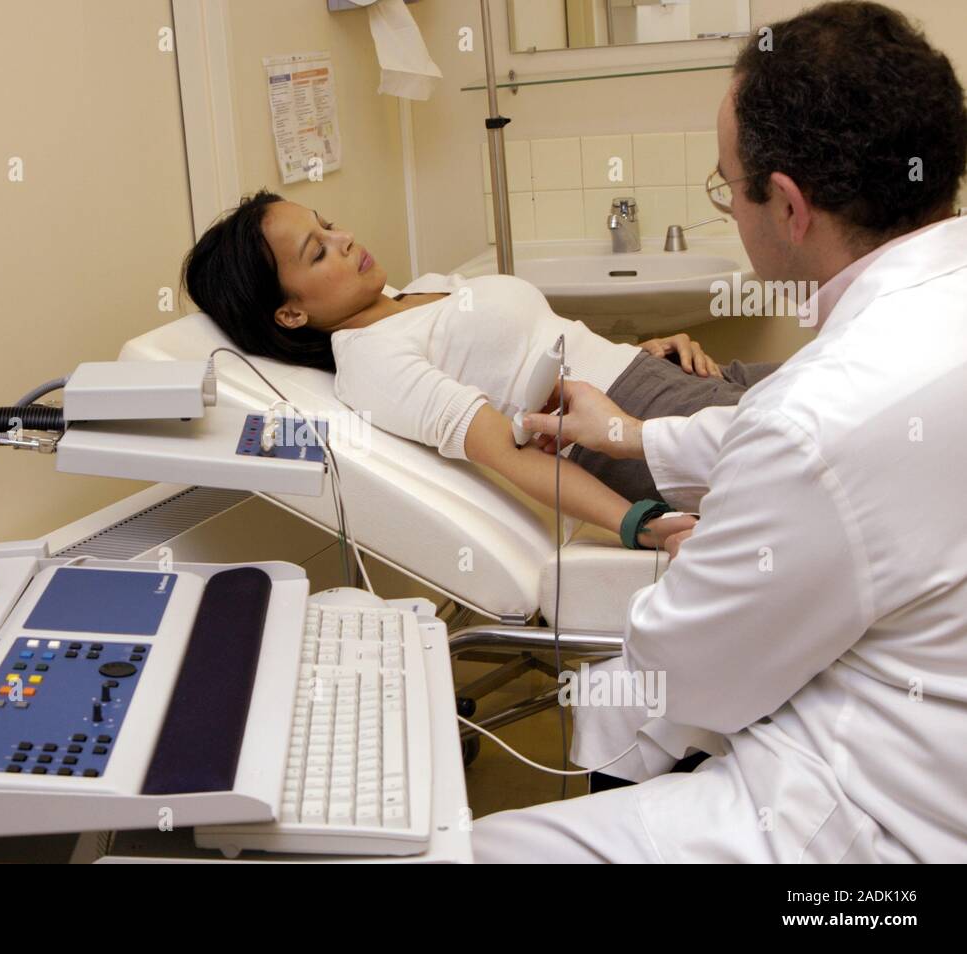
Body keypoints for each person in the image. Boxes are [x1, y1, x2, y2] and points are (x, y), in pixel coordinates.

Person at [472, 0, 967, 862]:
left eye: (728, 187)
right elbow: (804, 443)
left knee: (483, 845)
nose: (730, 212)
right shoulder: (895, 349)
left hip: (880, 825)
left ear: (787, 204)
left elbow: (693, 673)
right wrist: (630, 434)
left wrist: (705, 556)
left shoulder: (814, 419)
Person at [182, 192, 776, 547]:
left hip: (669, 380)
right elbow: (512, 455)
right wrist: (637, 525)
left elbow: (545, 342)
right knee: (844, 426)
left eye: (327, 224)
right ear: (289, 312)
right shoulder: (373, 362)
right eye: (317, 250)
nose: (344, 238)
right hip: (633, 430)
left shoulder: (420, 293)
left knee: (849, 380)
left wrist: (644, 350)